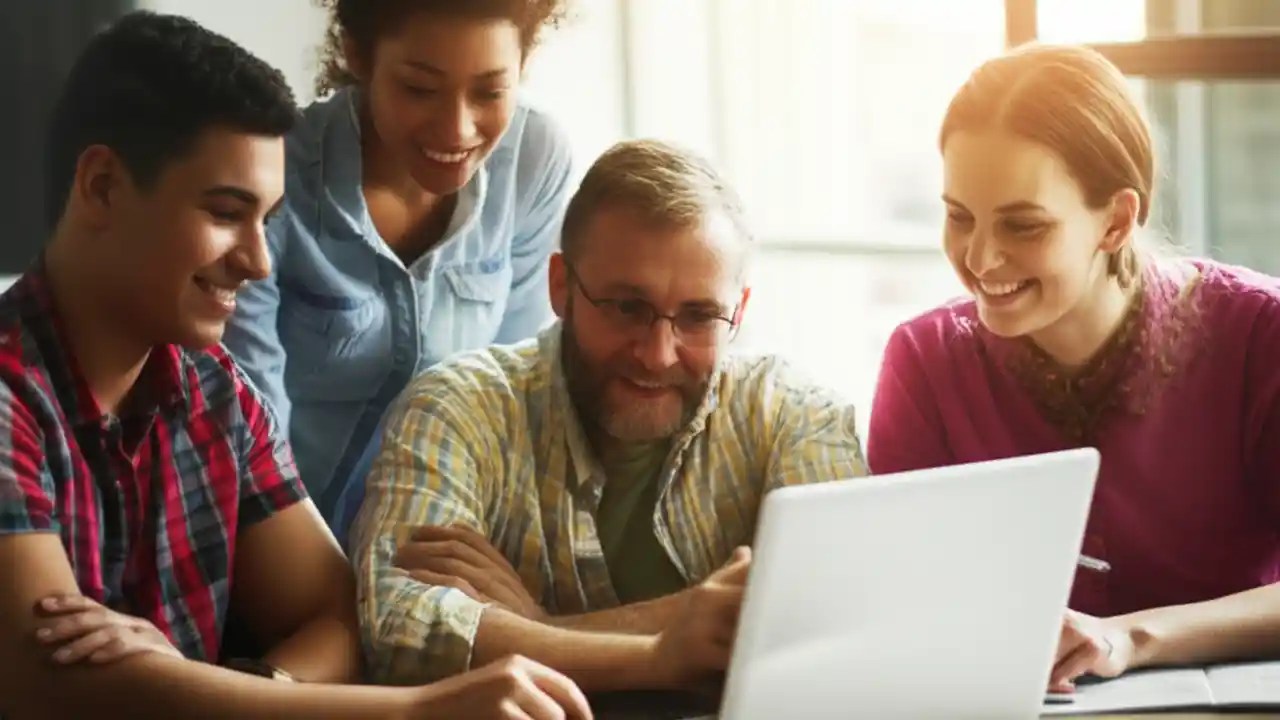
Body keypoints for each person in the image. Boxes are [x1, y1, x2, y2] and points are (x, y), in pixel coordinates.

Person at [0, 12, 591, 720]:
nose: (258, 261)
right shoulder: (11, 400)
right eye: (227, 213)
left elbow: (339, 613)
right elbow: (54, 684)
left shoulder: (216, 392)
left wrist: (250, 684)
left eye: (268, 219)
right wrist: (420, 710)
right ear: (101, 186)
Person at [349, 138, 869, 690]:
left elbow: (842, 620)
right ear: (561, 287)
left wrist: (540, 631)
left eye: (699, 316)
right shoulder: (458, 407)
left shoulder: (796, 416)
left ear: (737, 312)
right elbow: (395, 626)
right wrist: (661, 649)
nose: (658, 354)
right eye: (627, 308)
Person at [868, 43, 1280, 694]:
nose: (979, 258)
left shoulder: (1261, 335)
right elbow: (902, 596)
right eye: (959, 217)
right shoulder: (922, 362)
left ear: (1116, 221)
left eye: (1023, 226)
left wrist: (1132, 638)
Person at [222, 0, 576, 528]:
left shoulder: (532, 161)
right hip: (277, 535)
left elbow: (512, 393)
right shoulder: (277, 174)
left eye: (489, 92)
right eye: (419, 89)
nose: (457, 130)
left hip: (445, 531)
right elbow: (252, 444)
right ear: (358, 56)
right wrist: (328, 574)